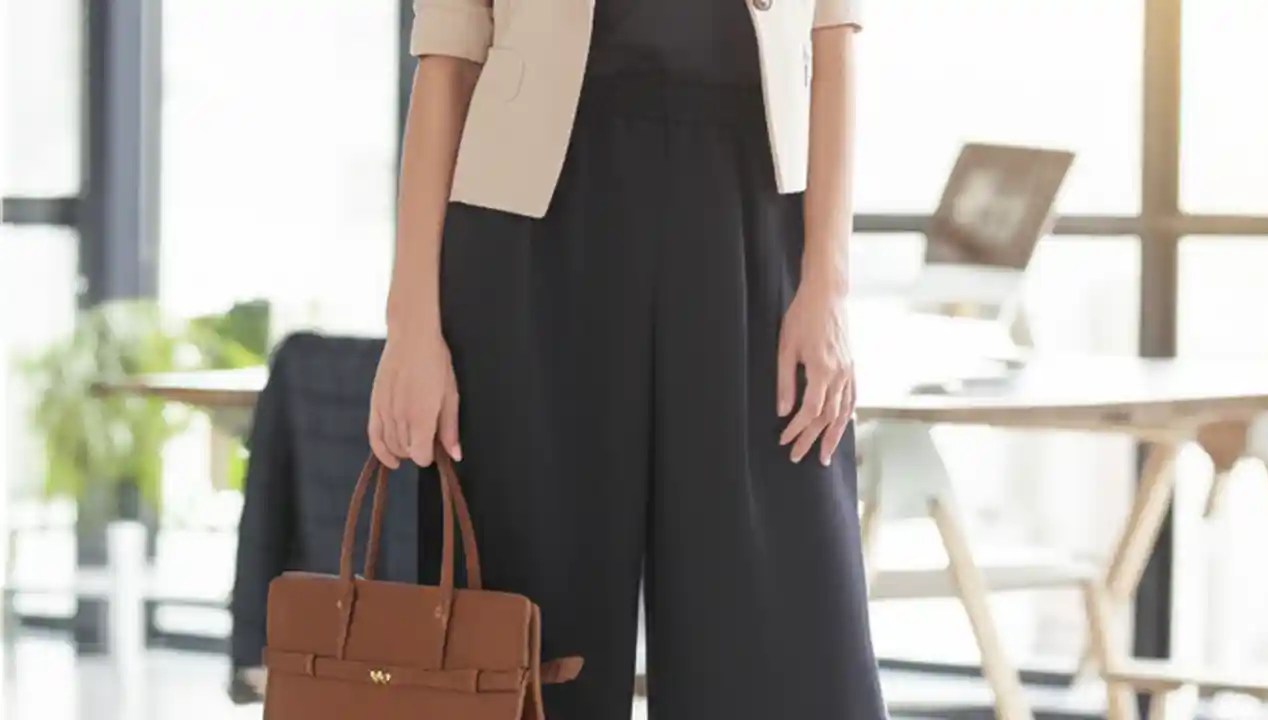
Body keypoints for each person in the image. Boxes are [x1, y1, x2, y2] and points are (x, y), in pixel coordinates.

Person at [369, 0, 887, 717]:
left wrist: (828, 287)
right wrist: (411, 326)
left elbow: (834, 44)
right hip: (531, 229)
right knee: (530, 639)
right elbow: (447, 61)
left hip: (754, 217)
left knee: (785, 627)